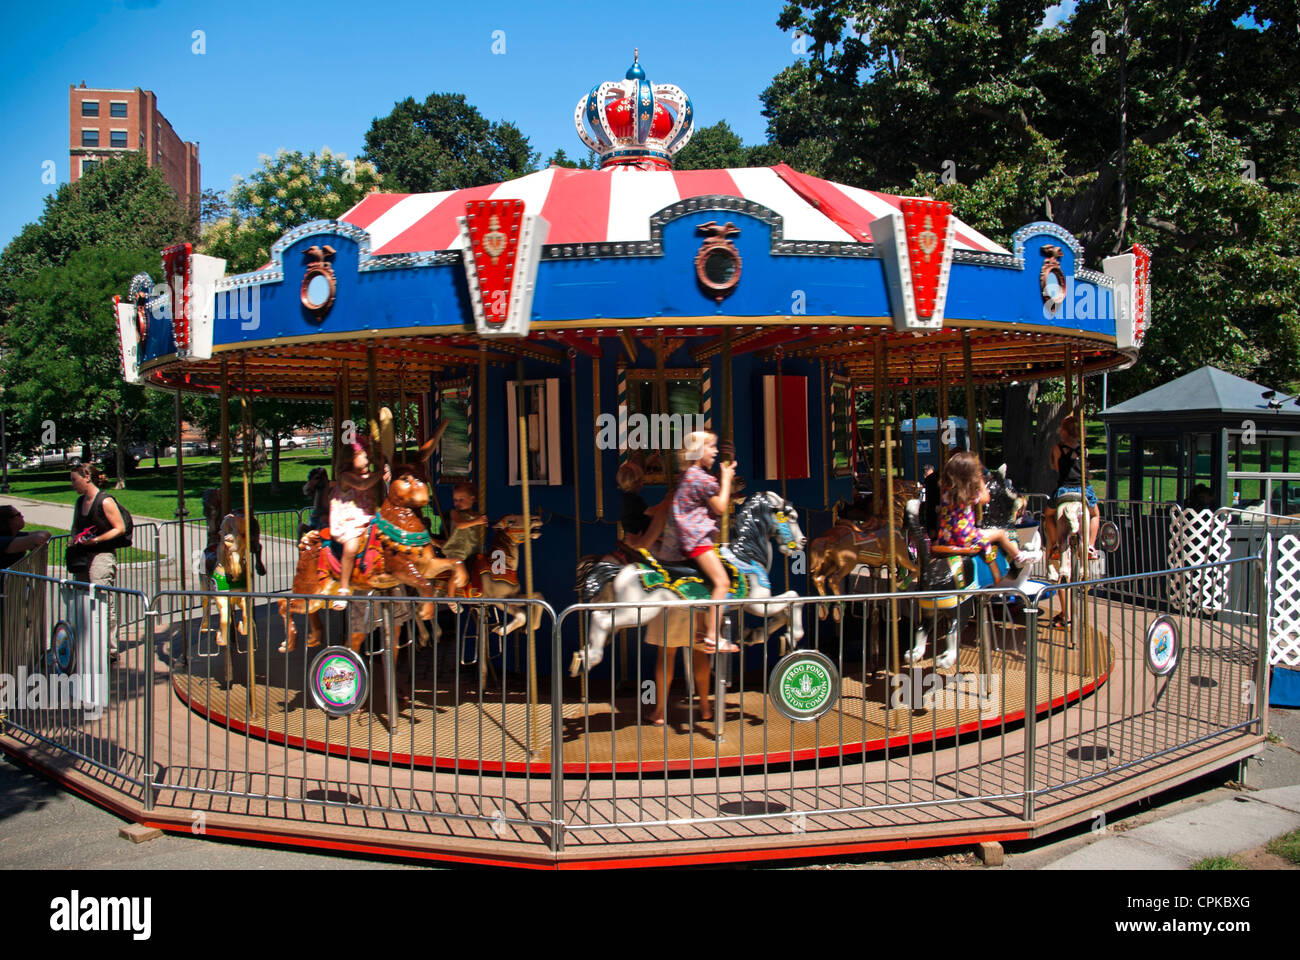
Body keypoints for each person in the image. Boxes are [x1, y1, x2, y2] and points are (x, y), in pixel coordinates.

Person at [663, 431, 737, 654]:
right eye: (711, 447)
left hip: (693, 539)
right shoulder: (699, 477)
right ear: (697, 451)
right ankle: (713, 636)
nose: (715, 451)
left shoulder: (690, 474)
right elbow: (721, 507)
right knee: (722, 582)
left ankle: (703, 630)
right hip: (698, 540)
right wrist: (725, 479)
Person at [935, 452, 1036, 571]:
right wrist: (980, 480)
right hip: (965, 537)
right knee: (1001, 534)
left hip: (946, 537)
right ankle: (1019, 556)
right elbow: (986, 498)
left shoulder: (947, 494)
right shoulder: (968, 495)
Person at [68, 462, 127, 658]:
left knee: (103, 600)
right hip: (84, 555)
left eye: (74, 480)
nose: (72, 485)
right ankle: (88, 642)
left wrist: (97, 540)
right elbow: (76, 526)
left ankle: (110, 649)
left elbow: (119, 528)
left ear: (87, 477)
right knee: (83, 597)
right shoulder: (79, 502)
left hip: (102, 554)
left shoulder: (105, 501)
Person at [330, 440, 384, 609]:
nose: (367, 460)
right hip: (349, 521)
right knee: (351, 547)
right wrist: (381, 473)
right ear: (350, 460)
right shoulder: (346, 477)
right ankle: (344, 588)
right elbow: (362, 485)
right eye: (363, 457)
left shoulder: (368, 475)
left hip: (367, 517)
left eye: (367, 457)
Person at [1043, 415, 1100, 561]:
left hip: (1065, 489)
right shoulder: (1084, 450)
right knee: (1095, 514)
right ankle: (1090, 545)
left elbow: (1057, 468)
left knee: (1048, 515)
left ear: (1064, 431)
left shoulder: (1058, 449)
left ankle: (1056, 543)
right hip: (1083, 490)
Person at [617, 461, 669, 551]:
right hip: (636, 542)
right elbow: (653, 512)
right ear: (636, 482)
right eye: (641, 480)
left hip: (637, 538)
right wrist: (666, 502)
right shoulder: (632, 499)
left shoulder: (629, 498)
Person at [438, 482, 488, 561]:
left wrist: (482, 523)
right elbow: (459, 525)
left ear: (472, 499)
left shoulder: (477, 516)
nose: (457, 503)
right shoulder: (455, 512)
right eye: (455, 500)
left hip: (472, 552)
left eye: (461, 499)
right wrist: (476, 522)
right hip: (457, 552)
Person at [0, 506, 51, 570]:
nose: (22, 516)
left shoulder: (15, 534)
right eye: (19, 515)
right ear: (8, 520)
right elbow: (38, 539)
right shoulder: (2, 541)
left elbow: (46, 533)